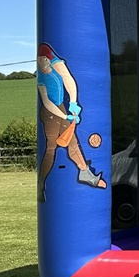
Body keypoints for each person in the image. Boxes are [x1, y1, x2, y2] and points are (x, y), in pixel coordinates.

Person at [37, 43, 106, 202]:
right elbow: (47, 103)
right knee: (51, 147)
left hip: (60, 107)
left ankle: (84, 172)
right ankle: (41, 183)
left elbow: (68, 79)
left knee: (72, 141)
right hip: (50, 113)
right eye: (43, 61)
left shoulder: (54, 63)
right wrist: (66, 116)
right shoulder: (41, 80)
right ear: (39, 60)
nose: (46, 63)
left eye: (47, 61)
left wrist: (73, 105)